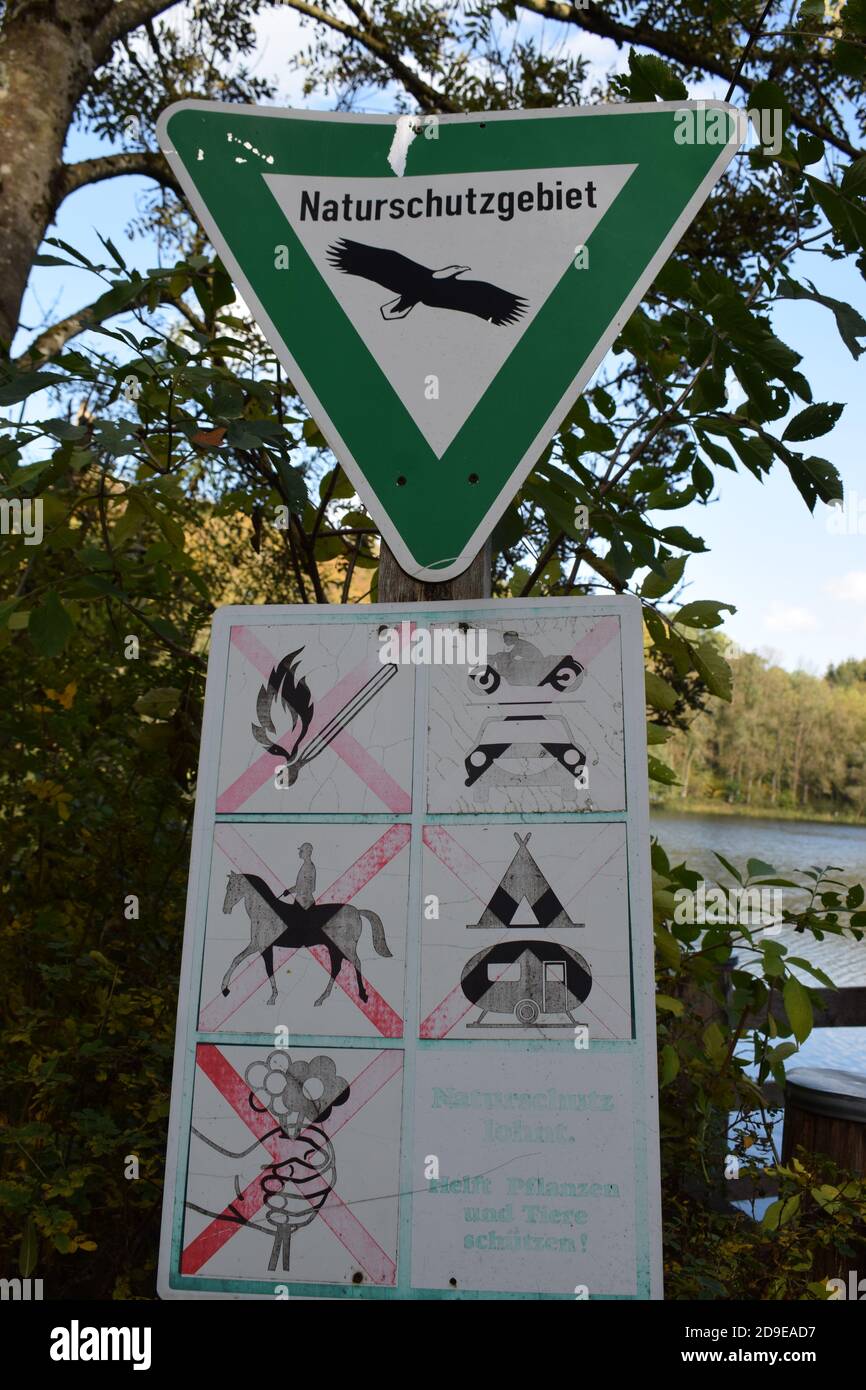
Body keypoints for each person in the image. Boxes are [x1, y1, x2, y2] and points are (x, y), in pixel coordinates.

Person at [281, 842, 316, 908]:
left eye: (301, 851)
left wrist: (289, 891)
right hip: (303, 901)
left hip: (304, 903)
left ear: (307, 853)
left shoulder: (308, 867)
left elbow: (304, 888)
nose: (299, 853)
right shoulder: (307, 866)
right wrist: (289, 891)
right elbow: (310, 888)